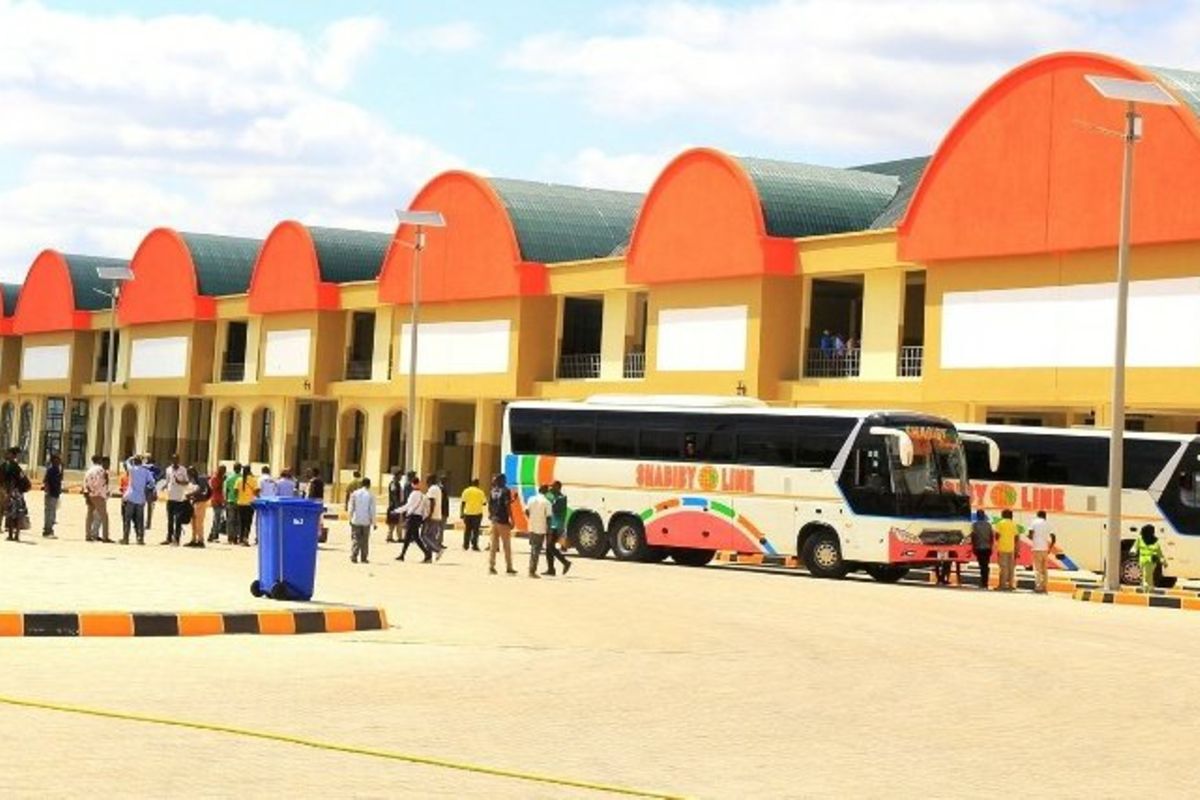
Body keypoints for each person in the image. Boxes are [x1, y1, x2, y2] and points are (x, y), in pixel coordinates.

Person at [487, 473, 516, 576]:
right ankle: (509, 567)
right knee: (506, 545)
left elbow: (490, 505)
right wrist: (512, 519)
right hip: (503, 521)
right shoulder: (506, 490)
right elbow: (507, 506)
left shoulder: (492, 491)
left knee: (493, 545)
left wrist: (491, 516)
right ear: (502, 481)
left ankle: (491, 567)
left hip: (494, 520)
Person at [396, 476, 430, 562]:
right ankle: (402, 554)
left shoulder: (413, 494)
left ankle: (427, 553)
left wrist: (397, 511)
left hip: (412, 517)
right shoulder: (423, 495)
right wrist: (424, 517)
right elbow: (426, 509)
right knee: (410, 537)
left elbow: (408, 506)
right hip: (418, 517)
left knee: (414, 537)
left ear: (412, 484)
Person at [121, 455, 152, 545]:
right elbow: (152, 482)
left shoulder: (132, 470)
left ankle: (126, 538)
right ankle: (140, 538)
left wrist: (131, 457)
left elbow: (126, 462)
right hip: (141, 498)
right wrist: (146, 488)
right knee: (140, 520)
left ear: (134, 462)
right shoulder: (146, 471)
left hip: (131, 497)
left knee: (127, 519)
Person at [543, 480, 572, 576]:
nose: (550, 488)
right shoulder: (552, 497)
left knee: (550, 546)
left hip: (557, 525)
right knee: (548, 548)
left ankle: (565, 562)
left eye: (553, 486)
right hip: (551, 524)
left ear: (558, 487)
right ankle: (551, 569)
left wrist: (547, 496)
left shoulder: (561, 498)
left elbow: (554, 508)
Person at [162, 454, 190, 546]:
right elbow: (167, 481)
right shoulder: (168, 469)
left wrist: (179, 482)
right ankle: (169, 538)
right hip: (170, 497)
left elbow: (186, 482)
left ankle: (176, 539)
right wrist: (163, 486)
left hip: (179, 498)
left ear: (179, 460)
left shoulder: (183, 469)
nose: (175, 461)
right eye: (173, 459)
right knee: (170, 519)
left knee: (178, 520)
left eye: (176, 459)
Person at [1, 447, 28, 542]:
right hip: (18, 493)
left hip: (11, 492)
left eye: (8, 453)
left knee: (11, 513)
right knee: (18, 514)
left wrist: (8, 493)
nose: (6, 455)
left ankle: (12, 535)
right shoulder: (16, 467)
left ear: (12, 455)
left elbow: (11, 481)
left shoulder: (9, 466)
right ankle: (16, 535)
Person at [524, 484, 551, 578]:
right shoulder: (547, 502)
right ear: (546, 491)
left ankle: (531, 569)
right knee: (536, 549)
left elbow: (526, 511)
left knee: (533, 548)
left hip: (531, 527)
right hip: (541, 528)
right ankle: (532, 571)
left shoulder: (531, 499)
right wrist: (549, 530)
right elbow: (548, 517)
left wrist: (531, 519)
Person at [1027, 510, 1056, 594]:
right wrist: (1050, 547)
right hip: (1045, 549)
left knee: (1037, 569)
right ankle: (1044, 587)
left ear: (1037, 515)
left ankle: (1038, 587)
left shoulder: (1034, 522)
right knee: (1044, 569)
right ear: (1045, 516)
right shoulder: (1048, 523)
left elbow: (1030, 534)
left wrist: (1031, 538)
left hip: (1036, 548)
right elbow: (1053, 537)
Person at [348, 477, 376, 564]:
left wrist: (350, 518)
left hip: (356, 519)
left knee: (356, 538)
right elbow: (372, 510)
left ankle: (354, 555)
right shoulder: (371, 495)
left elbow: (351, 507)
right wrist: (374, 522)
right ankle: (364, 557)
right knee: (365, 540)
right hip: (366, 521)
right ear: (369, 485)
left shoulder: (355, 494)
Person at [83, 454, 109, 542]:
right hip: (98, 495)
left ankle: (88, 535)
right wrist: (100, 493)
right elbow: (100, 482)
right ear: (99, 460)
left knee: (89, 516)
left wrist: (88, 493)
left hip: (89, 494)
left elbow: (85, 483)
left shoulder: (89, 470)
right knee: (104, 516)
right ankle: (105, 537)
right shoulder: (100, 470)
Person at [994, 509, 1020, 591]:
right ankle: (1010, 585)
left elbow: (997, 535)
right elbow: (1016, 537)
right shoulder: (1014, 524)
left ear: (1003, 515)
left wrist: (998, 541)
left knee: (1003, 567)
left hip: (1002, 547)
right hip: (1011, 548)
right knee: (1011, 568)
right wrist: (1016, 548)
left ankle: (1002, 585)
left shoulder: (1000, 523)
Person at [421, 473, 446, 560]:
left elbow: (432, 503)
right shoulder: (437, 489)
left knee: (424, 535)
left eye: (427, 479)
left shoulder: (432, 489)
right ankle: (428, 557)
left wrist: (429, 515)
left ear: (430, 480)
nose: (426, 481)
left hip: (432, 516)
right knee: (431, 537)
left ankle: (438, 549)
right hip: (437, 515)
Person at [1135, 524, 1166, 591]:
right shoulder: (1140, 539)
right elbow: (1135, 546)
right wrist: (1133, 551)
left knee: (1146, 574)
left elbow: (1159, 552)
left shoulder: (1155, 542)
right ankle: (1150, 587)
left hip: (1151, 560)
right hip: (1142, 560)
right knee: (1148, 575)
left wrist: (1163, 561)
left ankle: (1145, 587)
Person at [233, 464, 259, 546]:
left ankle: (240, 538)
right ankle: (245, 538)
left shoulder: (239, 480)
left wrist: (240, 497)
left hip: (240, 503)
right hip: (250, 503)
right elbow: (256, 492)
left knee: (241, 522)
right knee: (248, 522)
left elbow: (235, 491)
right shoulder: (253, 480)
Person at [185, 466, 210, 548]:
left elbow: (201, 490)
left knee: (199, 522)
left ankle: (201, 540)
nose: (189, 474)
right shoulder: (192, 481)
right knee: (193, 522)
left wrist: (191, 494)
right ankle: (193, 539)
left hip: (201, 503)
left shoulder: (201, 480)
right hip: (193, 503)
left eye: (190, 472)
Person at [969, 510, 994, 589]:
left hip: (979, 547)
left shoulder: (975, 525)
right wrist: (991, 546)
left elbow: (973, 536)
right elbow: (991, 537)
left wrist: (973, 546)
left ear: (977, 516)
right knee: (985, 565)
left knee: (982, 565)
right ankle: (985, 582)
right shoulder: (988, 525)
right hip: (987, 547)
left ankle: (983, 582)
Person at [460, 478, 485, 551]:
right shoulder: (480, 492)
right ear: (478, 484)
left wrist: (461, 513)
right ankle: (474, 545)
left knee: (467, 530)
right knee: (476, 530)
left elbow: (463, 503)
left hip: (467, 513)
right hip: (477, 514)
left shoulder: (466, 491)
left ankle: (465, 545)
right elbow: (484, 502)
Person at [42, 452, 63, 539]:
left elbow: (60, 479)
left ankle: (50, 529)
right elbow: (45, 481)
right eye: (57, 459)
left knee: (53, 512)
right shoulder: (51, 469)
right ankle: (47, 530)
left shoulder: (57, 469)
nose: (59, 461)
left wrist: (63, 468)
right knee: (49, 512)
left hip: (55, 493)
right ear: (53, 460)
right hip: (51, 493)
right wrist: (48, 491)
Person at [306, 467, 328, 543]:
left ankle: (312, 535)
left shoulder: (313, 482)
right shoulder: (321, 482)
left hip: (313, 502)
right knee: (319, 519)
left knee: (311, 519)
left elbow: (310, 493)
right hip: (320, 501)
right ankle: (318, 535)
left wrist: (307, 502)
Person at [207, 465, 227, 543]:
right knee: (216, 518)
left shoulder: (222, 478)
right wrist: (222, 482)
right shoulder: (215, 478)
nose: (224, 472)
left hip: (220, 499)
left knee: (218, 518)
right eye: (223, 470)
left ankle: (214, 535)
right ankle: (213, 535)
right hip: (215, 500)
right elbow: (215, 487)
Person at [224, 462, 242, 545]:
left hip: (230, 501)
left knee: (230, 520)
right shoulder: (242, 478)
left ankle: (230, 537)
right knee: (238, 520)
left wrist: (225, 500)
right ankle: (236, 537)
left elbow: (225, 490)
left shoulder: (229, 478)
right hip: (240, 501)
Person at [386, 470, 404, 543]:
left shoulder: (397, 483)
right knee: (394, 522)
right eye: (400, 476)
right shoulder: (394, 484)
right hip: (394, 506)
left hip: (396, 506)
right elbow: (394, 495)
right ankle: (390, 537)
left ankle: (398, 537)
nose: (401, 477)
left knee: (397, 522)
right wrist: (397, 506)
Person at [144, 455, 162, 529]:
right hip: (146, 488)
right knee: (145, 507)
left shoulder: (151, 468)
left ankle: (148, 523)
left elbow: (159, 474)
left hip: (150, 489)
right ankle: (145, 523)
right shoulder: (146, 468)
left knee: (148, 507)